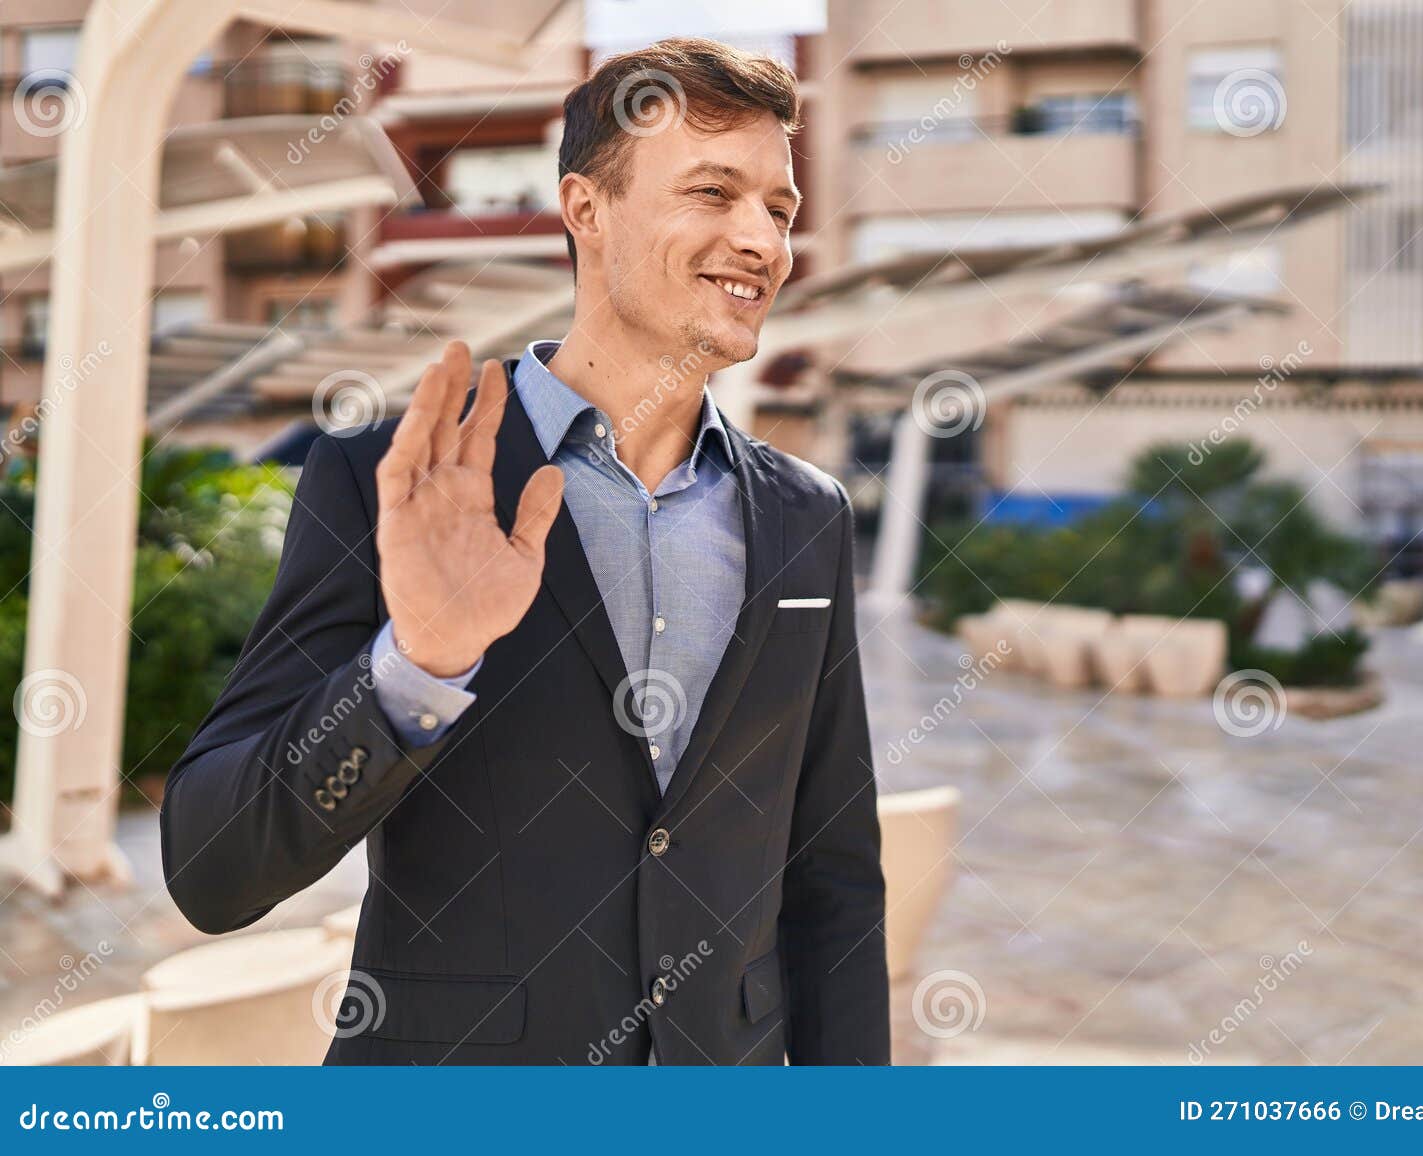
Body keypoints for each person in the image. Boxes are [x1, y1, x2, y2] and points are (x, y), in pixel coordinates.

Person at [159, 37, 889, 1066]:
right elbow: (212, 869)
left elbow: (833, 875)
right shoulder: (394, 479)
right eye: (712, 192)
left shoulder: (807, 514)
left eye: (778, 208)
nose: (760, 240)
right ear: (586, 209)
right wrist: (417, 665)